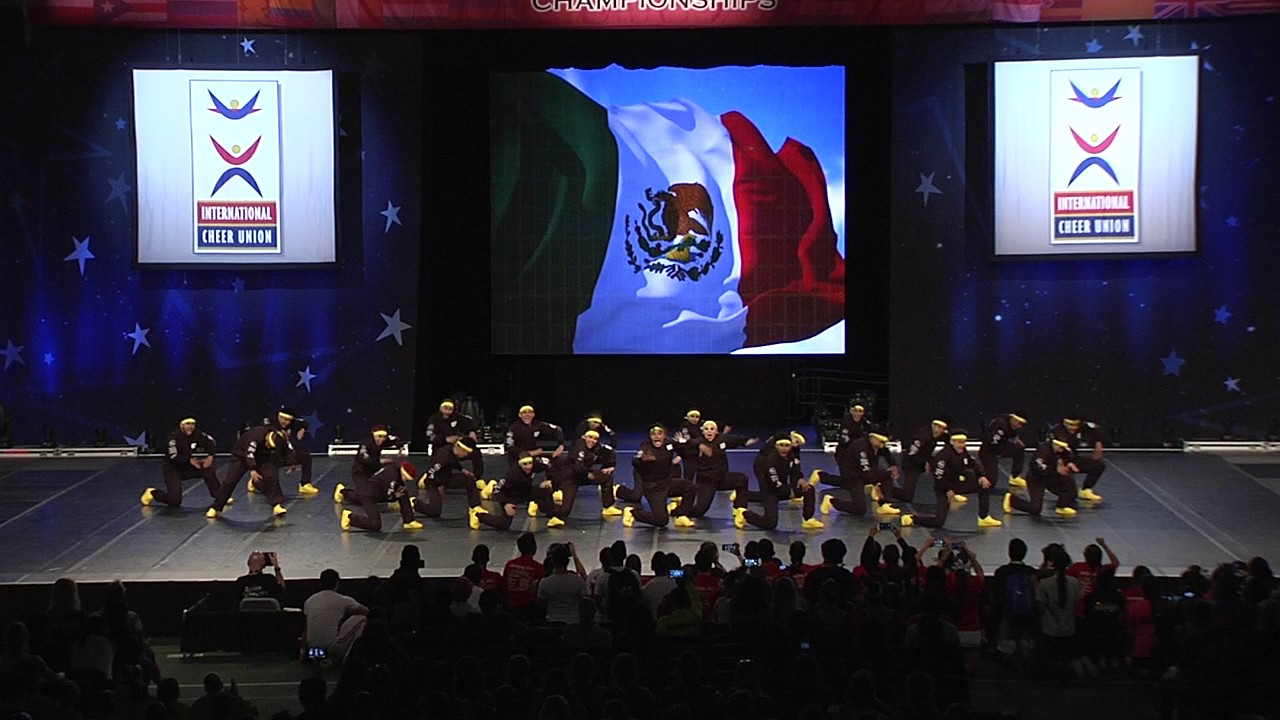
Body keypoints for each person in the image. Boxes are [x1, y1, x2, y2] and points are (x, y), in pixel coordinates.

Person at [901, 429, 1002, 529]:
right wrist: (948, 490)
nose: (961, 445)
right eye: (959, 442)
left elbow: (973, 463)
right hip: (943, 487)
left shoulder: (963, 451)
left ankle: (983, 517)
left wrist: (981, 476)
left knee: (984, 485)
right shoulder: (944, 456)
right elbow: (938, 476)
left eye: (963, 442)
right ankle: (912, 519)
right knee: (939, 522)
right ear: (952, 442)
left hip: (956, 483)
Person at [334, 425, 421, 532]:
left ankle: (409, 520)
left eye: (384, 437)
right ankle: (343, 492)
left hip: (373, 471)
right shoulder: (366, 444)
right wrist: (380, 462)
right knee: (363, 496)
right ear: (373, 435)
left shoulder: (384, 440)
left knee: (400, 492)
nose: (381, 439)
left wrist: (400, 445)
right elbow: (362, 458)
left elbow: (395, 439)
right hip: (361, 471)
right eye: (379, 436)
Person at [671, 420, 755, 527]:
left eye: (712, 429)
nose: (709, 431)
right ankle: (676, 510)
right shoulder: (697, 442)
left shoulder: (722, 439)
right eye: (706, 429)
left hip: (722, 479)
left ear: (716, 431)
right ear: (703, 431)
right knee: (699, 511)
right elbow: (684, 448)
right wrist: (681, 443)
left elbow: (738, 440)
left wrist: (750, 440)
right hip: (706, 482)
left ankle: (740, 511)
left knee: (742, 479)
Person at [737, 433, 823, 530]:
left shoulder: (792, 454)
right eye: (781, 446)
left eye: (787, 446)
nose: (784, 448)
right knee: (770, 523)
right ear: (776, 446)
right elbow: (775, 484)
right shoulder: (771, 460)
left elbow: (795, 469)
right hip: (771, 492)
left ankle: (808, 519)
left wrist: (800, 478)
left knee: (808, 489)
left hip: (783, 488)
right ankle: (743, 514)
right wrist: (791, 491)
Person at [208, 426, 291, 518]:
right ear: (267, 437)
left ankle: (276, 504)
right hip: (241, 456)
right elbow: (249, 454)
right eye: (268, 444)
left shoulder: (279, 439)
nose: (268, 446)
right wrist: (253, 470)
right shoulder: (255, 438)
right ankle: (216, 507)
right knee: (230, 480)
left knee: (272, 476)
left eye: (270, 446)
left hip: (262, 457)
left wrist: (290, 461)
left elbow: (285, 451)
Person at [813, 430, 900, 517]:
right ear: (872, 438)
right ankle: (831, 501)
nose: (883, 444)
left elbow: (886, 452)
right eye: (881, 441)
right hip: (853, 477)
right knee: (859, 509)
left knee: (888, 474)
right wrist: (876, 485)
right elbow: (865, 471)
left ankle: (884, 505)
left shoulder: (877, 445)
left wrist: (893, 465)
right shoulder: (861, 448)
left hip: (864, 472)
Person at [621, 424, 692, 529]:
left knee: (690, 487)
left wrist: (682, 444)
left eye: (659, 434)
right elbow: (635, 461)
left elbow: (686, 454)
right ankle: (632, 512)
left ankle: (680, 515)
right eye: (653, 434)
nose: (656, 436)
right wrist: (642, 460)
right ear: (650, 437)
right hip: (653, 488)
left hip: (667, 482)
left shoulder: (669, 444)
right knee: (661, 520)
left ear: (664, 436)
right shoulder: (645, 446)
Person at [142, 417, 219, 508]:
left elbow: (211, 442)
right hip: (173, 469)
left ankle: (220, 496)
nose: (190, 426)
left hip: (188, 467)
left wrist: (210, 456)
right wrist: (189, 460)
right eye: (188, 424)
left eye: (192, 424)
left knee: (208, 469)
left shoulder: (197, 434)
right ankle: (152, 492)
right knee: (175, 501)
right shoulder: (173, 438)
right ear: (181, 425)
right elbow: (173, 456)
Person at [546, 428, 620, 523]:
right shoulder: (579, 446)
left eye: (595, 439)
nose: (592, 441)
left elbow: (610, 451)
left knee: (606, 478)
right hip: (569, 479)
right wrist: (587, 473)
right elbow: (578, 467)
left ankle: (608, 506)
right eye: (590, 437)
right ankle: (549, 512)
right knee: (565, 510)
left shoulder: (597, 447)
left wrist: (610, 465)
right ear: (584, 437)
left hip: (583, 475)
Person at [474, 453, 556, 531]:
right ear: (520, 464)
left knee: (545, 491)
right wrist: (505, 503)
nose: (528, 467)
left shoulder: (535, 464)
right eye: (525, 464)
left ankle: (553, 517)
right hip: (511, 496)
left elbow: (547, 463)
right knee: (504, 524)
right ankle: (478, 516)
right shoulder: (512, 475)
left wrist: (550, 479)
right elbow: (497, 490)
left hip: (526, 490)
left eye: (530, 463)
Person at [1002, 438, 1081, 518]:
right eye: (1060, 448)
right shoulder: (1043, 450)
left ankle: (1061, 506)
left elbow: (1069, 456)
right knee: (1035, 509)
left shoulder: (1063, 450)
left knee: (1070, 488)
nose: (1061, 450)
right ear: (1054, 444)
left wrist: (1070, 462)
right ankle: (1012, 500)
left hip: (1051, 476)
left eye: (1063, 448)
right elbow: (1037, 468)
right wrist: (1055, 469)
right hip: (1036, 479)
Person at [302, 569, 368, 664]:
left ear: (320, 583)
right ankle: (346, 659)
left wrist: (302, 654)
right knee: (361, 618)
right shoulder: (343, 599)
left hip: (313, 651)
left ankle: (319, 657)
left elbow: (306, 629)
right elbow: (366, 611)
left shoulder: (309, 600)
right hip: (330, 648)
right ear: (337, 583)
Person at [413, 437, 484, 520]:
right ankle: (414, 503)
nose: (467, 456)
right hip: (433, 482)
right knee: (435, 511)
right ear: (461, 450)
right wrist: (438, 485)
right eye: (466, 453)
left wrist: (462, 469)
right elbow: (431, 472)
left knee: (469, 479)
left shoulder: (452, 451)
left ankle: (475, 507)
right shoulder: (443, 457)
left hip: (446, 478)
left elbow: (454, 462)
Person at [990, 538, 1038, 656]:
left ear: (1009, 552)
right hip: (1027, 617)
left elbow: (997, 597)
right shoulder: (1031, 572)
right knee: (1024, 649)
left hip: (1007, 615)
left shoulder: (1002, 572)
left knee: (1005, 649)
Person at [893, 418, 949, 504]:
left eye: (942, 428)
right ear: (932, 426)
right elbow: (912, 455)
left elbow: (950, 440)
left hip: (922, 461)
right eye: (938, 427)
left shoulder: (938, 435)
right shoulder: (922, 437)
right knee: (907, 496)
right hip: (911, 464)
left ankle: (951, 489)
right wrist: (925, 463)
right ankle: (883, 488)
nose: (940, 430)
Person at [1052, 415, 1107, 502]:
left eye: (1075, 426)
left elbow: (1094, 428)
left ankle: (1085, 490)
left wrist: (1098, 442)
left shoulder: (1081, 427)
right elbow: (1054, 453)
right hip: (1057, 461)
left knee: (1099, 465)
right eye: (1070, 425)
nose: (1073, 428)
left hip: (1072, 459)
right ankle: (1048, 484)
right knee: (1071, 494)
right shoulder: (1058, 431)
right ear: (1065, 423)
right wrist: (1061, 464)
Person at [271, 407, 317, 496]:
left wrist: (302, 429)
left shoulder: (292, 424)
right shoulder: (271, 424)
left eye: (287, 420)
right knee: (268, 475)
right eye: (282, 419)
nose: (284, 422)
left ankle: (305, 484)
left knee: (305, 457)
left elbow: (304, 422)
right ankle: (254, 483)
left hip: (285, 455)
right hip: (271, 456)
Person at [538, 543, 588, 624]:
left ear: (552, 561)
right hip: (573, 622)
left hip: (552, 622)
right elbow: (583, 575)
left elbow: (541, 606)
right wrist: (575, 556)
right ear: (568, 561)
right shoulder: (577, 580)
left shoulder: (544, 582)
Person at [503, 532, 545, 622]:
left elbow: (504, 585)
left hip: (510, 607)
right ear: (534, 548)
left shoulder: (510, 564)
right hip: (528, 609)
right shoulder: (538, 568)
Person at [980, 412, 1028, 489]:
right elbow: (992, 442)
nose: (1019, 426)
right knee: (991, 482)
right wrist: (997, 454)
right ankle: (977, 479)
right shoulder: (1001, 425)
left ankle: (1014, 477)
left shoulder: (1010, 424)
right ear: (1014, 419)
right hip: (989, 452)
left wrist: (1017, 441)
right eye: (1019, 423)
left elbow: (1012, 433)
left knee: (1019, 448)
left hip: (1001, 447)